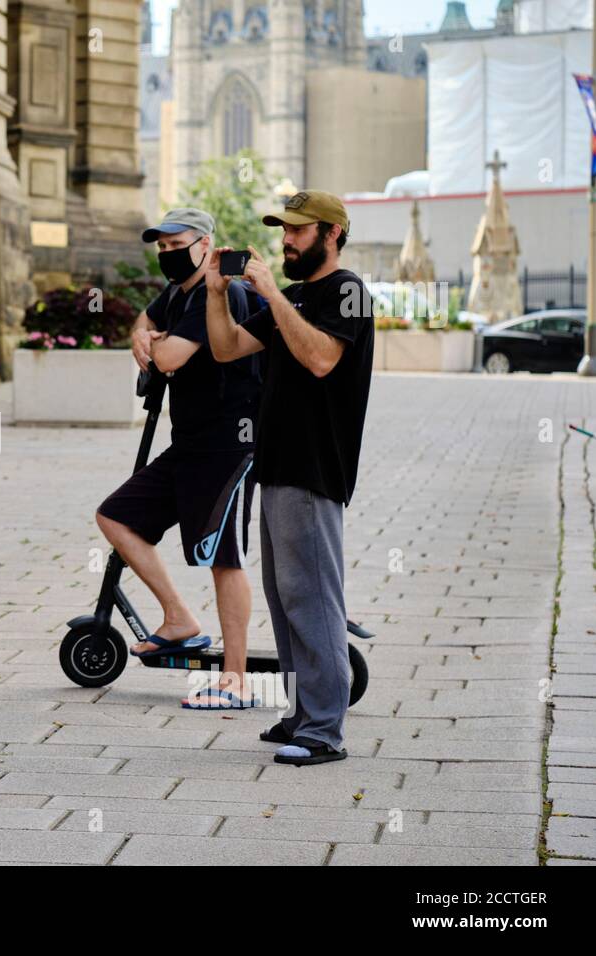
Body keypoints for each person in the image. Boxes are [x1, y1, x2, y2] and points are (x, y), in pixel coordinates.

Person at [204, 189, 374, 766]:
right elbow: (227, 348)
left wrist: (273, 294)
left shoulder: (345, 292)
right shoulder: (295, 296)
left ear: (332, 233)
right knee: (284, 598)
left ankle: (325, 730)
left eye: (298, 231)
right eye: (283, 231)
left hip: (313, 467)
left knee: (314, 598)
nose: (286, 240)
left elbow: (323, 357)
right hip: (276, 465)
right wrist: (216, 293)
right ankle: (301, 714)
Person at [95, 208, 262, 708]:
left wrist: (153, 344)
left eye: (177, 244)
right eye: (161, 247)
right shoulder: (178, 293)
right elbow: (144, 323)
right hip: (190, 444)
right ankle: (179, 619)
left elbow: (168, 359)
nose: (167, 254)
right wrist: (142, 334)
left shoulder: (222, 292)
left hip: (230, 445)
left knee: (224, 559)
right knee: (116, 517)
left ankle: (236, 679)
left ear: (206, 245)